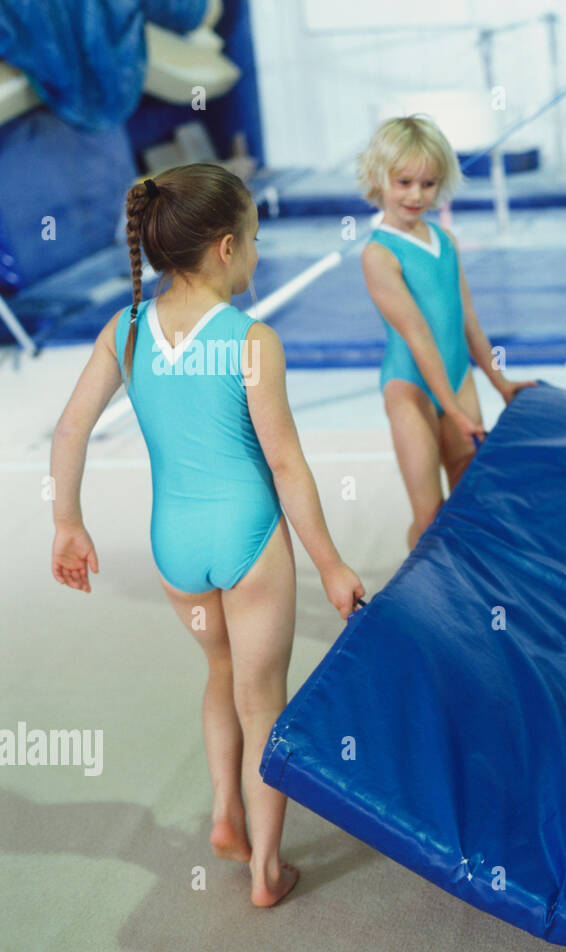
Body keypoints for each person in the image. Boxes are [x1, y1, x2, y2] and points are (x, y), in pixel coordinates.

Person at [50, 163, 365, 907]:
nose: (258, 251)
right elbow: (285, 465)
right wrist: (330, 563)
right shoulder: (253, 341)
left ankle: (226, 813)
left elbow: (70, 428)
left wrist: (68, 520)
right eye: (254, 238)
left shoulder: (124, 329)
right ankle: (265, 870)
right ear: (225, 247)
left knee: (220, 672)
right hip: (249, 542)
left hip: (175, 549)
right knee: (265, 704)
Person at [358, 115, 536, 551]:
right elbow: (418, 337)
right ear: (378, 177)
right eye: (403, 182)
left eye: (428, 184)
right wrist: (454, 412)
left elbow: (468, 322)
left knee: (466, 500)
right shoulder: (378, 255)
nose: (416, 195)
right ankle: (419, 598)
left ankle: (464, 591)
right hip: (411, 390)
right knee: (431, 516)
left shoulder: (445, 240)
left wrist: (501, 383)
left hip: (458, 377)